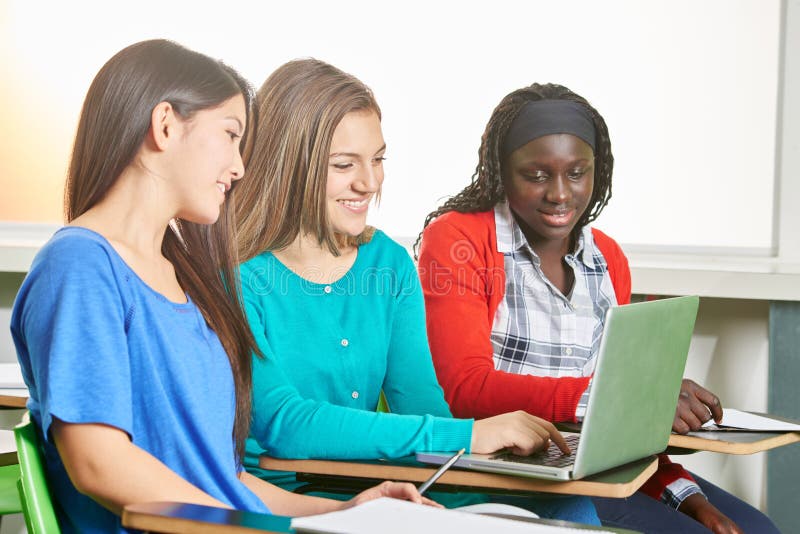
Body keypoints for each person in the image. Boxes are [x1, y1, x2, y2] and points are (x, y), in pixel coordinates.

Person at [9, 40, 433, 534]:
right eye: (230, 135)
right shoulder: (81, 265)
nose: (239, 166)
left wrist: (345, 512)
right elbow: (99, 464)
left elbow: (224, 481)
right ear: (165, 126)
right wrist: (251, 528)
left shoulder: (187, 276)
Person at [235, 58, 600, 524]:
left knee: (570, 508)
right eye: (344, 164)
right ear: (289, 165)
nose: (370, 182)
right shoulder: (239, 275)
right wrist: (469, 435)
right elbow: (286, 425)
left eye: (378, 159)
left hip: (385, 487)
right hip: (282, 503)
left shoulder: (387, 263)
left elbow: (422, 407)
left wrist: (501, 457)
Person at [416, 82, 780, 534]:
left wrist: (687, 497)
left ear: (598, 171)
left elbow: (621, 437)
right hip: (505, 471)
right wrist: (625, 401)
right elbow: (463, 389)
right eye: (536, 175)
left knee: (758, 529)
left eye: (576, 173)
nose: (559, 194)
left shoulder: (607, 259)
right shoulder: (459, 239)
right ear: (501, 172)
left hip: (592, 466)